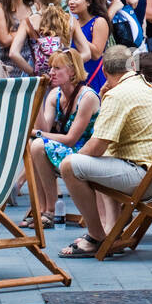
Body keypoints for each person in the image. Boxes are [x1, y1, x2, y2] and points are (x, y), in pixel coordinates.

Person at [59, 46, 152, 258]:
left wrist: (71, 160)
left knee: (71, 166)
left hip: (151, 178)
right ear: (132, 66)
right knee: (103, 156)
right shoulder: (148, 84)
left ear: (105, 73)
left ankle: (96, 237)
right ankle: (112, 229)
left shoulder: (118, 95)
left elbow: (96, 146)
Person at [25, 49, 101, 229]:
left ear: (72, 71)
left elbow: (71, 139)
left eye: (57, 68)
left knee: (36, 145)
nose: (51, 72)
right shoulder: (55, 94)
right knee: (33, 145)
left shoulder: (87, 97)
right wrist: (37, 98)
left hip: (87, 152)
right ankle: (43, 209)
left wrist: (36, 133)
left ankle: (50, 210)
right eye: (51, 67)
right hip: (69, 150)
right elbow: (44, 129)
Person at [63, 0, 110, 92]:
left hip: (93, 76)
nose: (71, 2)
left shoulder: (99, 22)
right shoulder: (73, 23)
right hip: (74, 77)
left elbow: (96, 53)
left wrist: (76, 33)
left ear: (88, 1)